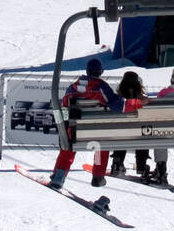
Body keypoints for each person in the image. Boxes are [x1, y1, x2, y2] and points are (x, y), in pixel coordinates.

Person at [47, 58, 123, 189]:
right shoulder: (101, 87)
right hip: (97, 133)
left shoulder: (73, 88)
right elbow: (117, 105)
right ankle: (98, 176)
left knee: (68, 147)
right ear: (100, 71)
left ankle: (59, 176)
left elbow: (65, 108)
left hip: (76, 132)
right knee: (100, 147)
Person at [109, 71, 148, 178]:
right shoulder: (143, 99)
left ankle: (117, 162)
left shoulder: (118, 99)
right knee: (143, 135)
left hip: (121, 132)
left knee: (121, 133)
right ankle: (141, 165)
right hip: (140, 132)